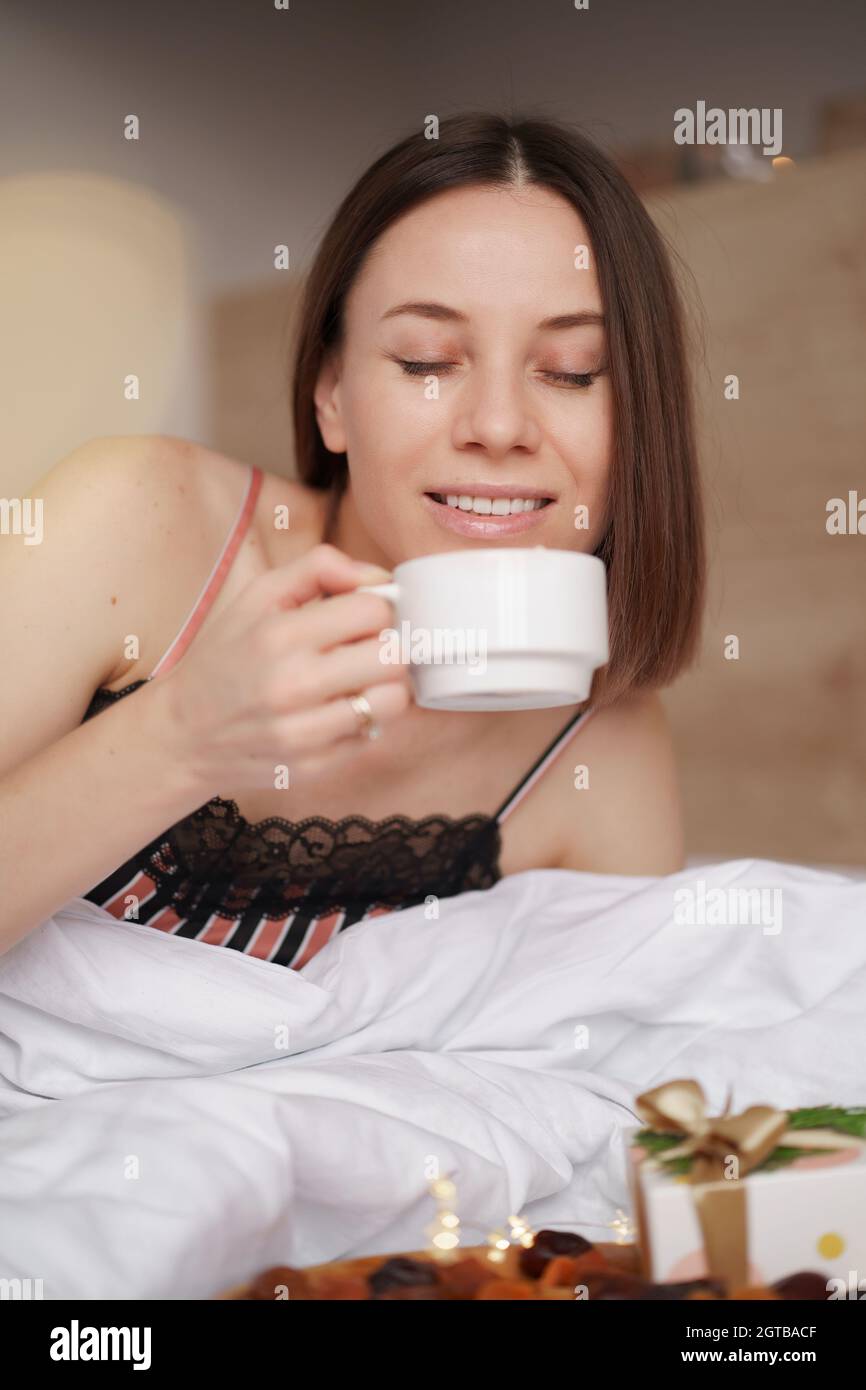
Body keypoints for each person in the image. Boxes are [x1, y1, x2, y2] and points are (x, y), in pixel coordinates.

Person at [0, 112, 705, 963]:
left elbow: (608, 1079)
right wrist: (178, 735)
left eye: (572, 372)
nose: (497, 425)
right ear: (331, 393)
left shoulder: (604, 747)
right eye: (426, 361)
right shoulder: (135, 518)